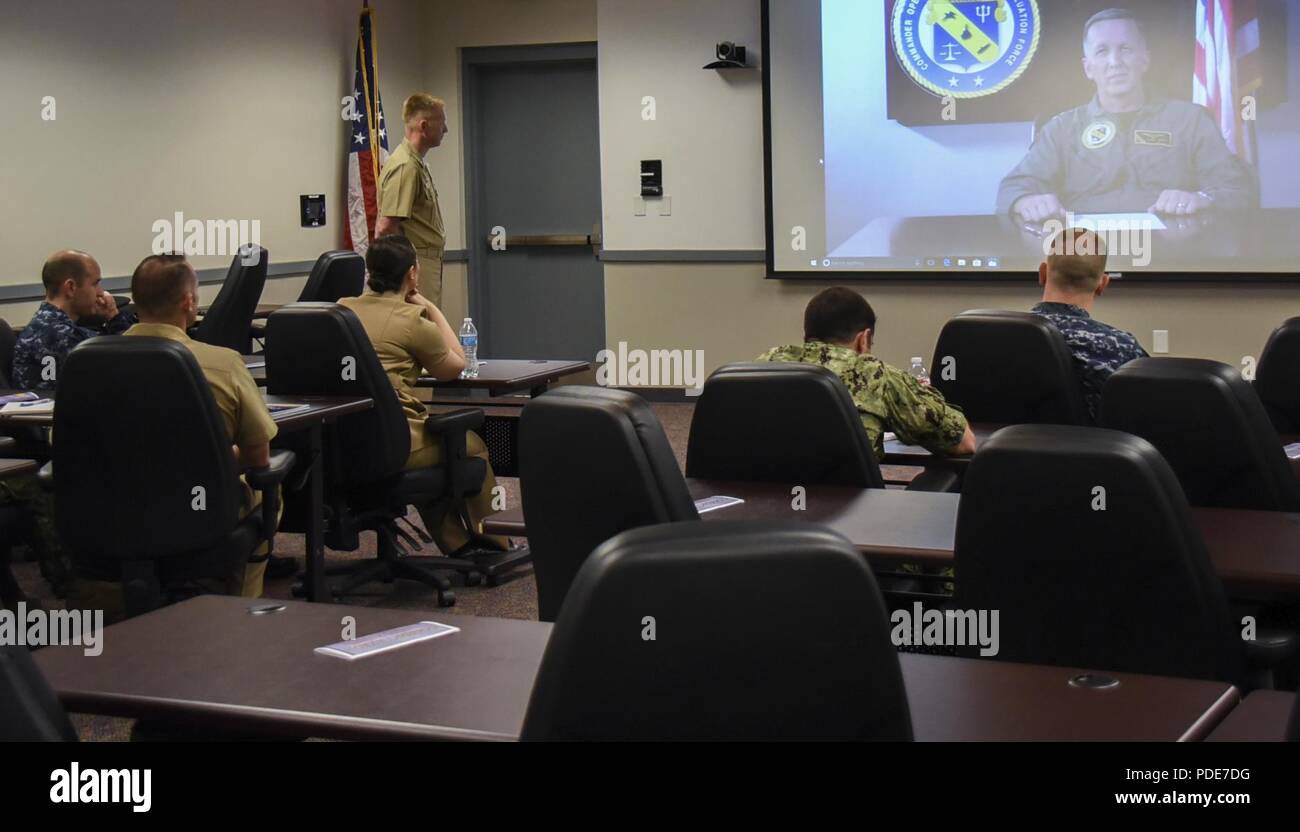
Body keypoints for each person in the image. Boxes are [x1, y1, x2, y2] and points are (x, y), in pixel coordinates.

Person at [67, 254, 281, 617]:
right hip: (199, 514)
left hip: (107, 516)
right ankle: (242, 616)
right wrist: (210, 460)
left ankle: (110, 617)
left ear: (133, 301)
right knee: (265, 486)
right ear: (189, 302)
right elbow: (259, 458)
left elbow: (68, 452)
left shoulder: (86, 360)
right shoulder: (223, 363)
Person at [997, 8, 1257, 224]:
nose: (1114, 61)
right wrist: (1025, 201)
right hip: (1083, 257)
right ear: (1088, 68)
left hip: (1174, 263)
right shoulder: (1061, 128)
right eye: (1102, 51)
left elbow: (1237, 188)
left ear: (1144, 60)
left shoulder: (1190, 120)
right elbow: (1012, 189)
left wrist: (1201, 198)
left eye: (1125, 49)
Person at [338, 235, 512, 556]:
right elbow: (455, 365)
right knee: (470, 446)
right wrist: (430, 306)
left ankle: (456, 542)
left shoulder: (341, 310)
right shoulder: (412, 320)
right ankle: (494, 539)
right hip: (395, 440)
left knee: (437, 451)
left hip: (340, 441)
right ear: (412, 274)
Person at [757, 287, 975, 460]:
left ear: (808, 334)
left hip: (755, 504)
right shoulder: (875, 374)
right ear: (864, 339)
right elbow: (964, 443)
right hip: (851, 510)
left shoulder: (765, 363)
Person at [1032, 228, 1149, 423]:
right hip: (1095, 452)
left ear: (1042, 273)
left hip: (1000, 453)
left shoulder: (1001, 338)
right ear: (1103, 284)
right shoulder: (1122, 347)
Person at [12, 250, 135, 393]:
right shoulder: (62, 336)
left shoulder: (48, 326)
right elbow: (129, 362)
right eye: (95, 284)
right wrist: (113, 315)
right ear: (70, 287)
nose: (100, 292)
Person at [376, 93, 449, 306]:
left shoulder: (417, 164)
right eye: (442, 123)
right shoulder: (405, 166)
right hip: (414, 264)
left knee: (428, 324)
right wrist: (407, 270)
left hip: (424, 261)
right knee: (421, 326)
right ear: (424, 126)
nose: (445, 130)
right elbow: (386, 228)